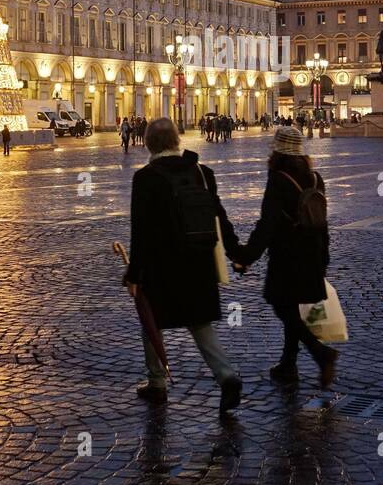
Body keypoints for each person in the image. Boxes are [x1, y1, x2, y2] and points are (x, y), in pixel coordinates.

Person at [125, 117, 242, 412]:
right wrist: (235, 251)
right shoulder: (202, 172)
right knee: (199, 322)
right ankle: (226, 375)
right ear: (177, 140)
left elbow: (141, 231)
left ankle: (157, 383)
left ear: (149, 143)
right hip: (200, 259)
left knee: (151, 321)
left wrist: (134, 272)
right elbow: (218, 216)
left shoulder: (146, 178)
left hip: (162, 264)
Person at [233, 126, 338, 388]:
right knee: (292, 307)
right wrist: (324, 256)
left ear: (277, 150)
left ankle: (320, 352)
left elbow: (267, 224)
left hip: (287, 255)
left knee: (281, 304)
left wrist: (246, 256)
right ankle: (288, 364)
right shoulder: (315, 178)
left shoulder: (278, 179)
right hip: (312, 251)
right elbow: (322, 222)